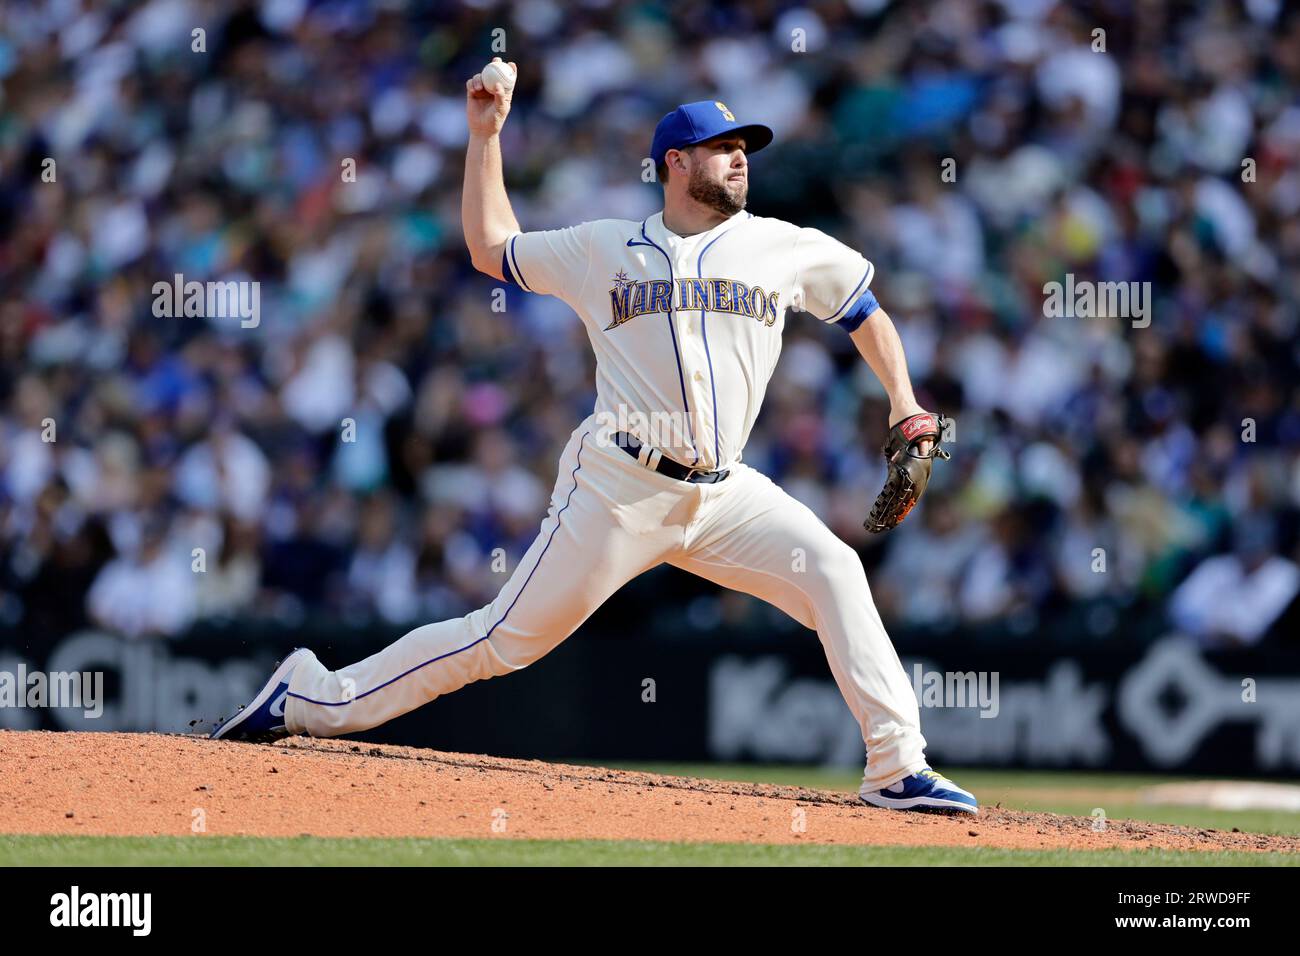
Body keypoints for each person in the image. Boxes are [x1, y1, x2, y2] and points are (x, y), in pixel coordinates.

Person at [210, 58, 977, 815]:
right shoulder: (603, 246)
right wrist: (486, 138)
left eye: (746, 148)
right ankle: (312, 697)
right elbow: (490, 247)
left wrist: (903, 402)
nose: (742, 158)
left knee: (835, 570)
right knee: (502, 641)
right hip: (620, 485)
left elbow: (863, 309)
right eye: (724, 146)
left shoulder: (782, 245)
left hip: (726, 492)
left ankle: (896, 767)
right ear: (675, 162)